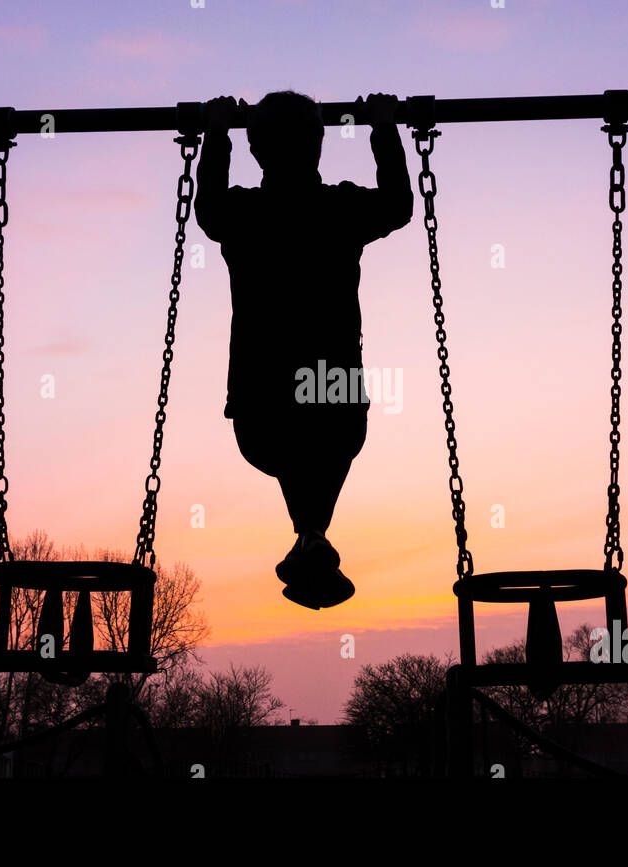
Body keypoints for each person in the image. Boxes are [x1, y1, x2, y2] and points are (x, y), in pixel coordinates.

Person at [194, 90, 413, 609]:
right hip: (331, 389)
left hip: (261, 397)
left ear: (255, 150)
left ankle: (311, 533)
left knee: (297, 451)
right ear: (318, 144)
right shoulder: (340, 209)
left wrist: (217, 132)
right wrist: (383, 127)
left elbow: (208, 206)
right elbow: (398, 205)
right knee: (325, 446)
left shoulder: (243, 214)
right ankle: (311, 533)